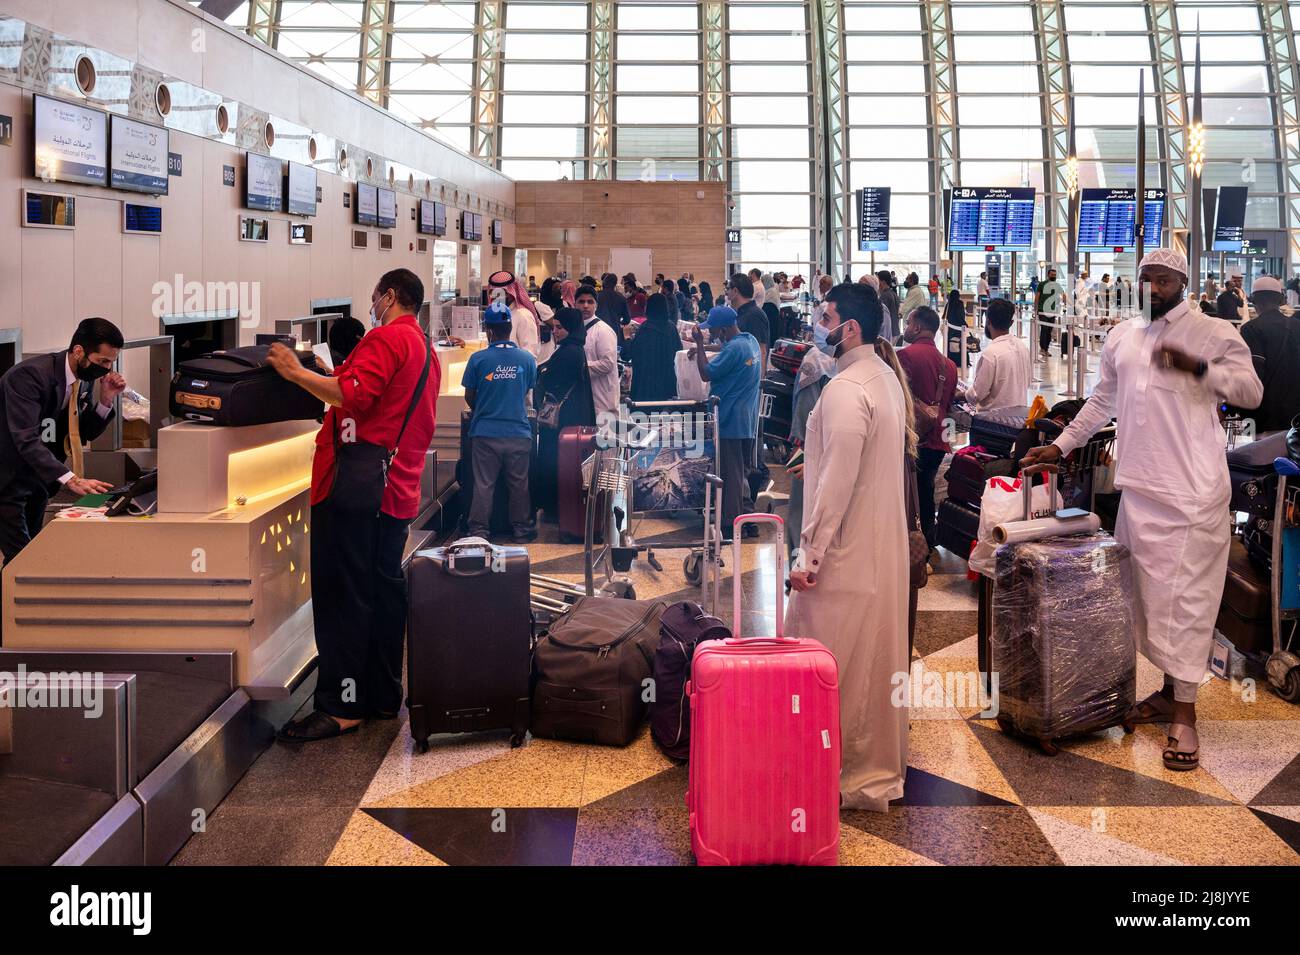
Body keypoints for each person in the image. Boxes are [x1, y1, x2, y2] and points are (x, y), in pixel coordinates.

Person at [1022, 249, 1263, 773]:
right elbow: (1100, 400)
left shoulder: (1213, 332)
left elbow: (1251, 391)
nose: (1152, 287)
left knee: (1189, 606)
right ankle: (1164, 694)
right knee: (1148, 606)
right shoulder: (1123, 335)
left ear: (1183, 280)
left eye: (1163, 279)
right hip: (1138, 491)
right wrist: (1060, 447)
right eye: (1146, 278)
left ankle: (1185, 717)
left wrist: (1199, 368)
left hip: (1193, 496)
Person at [268, 268, 437, 742]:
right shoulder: (422, 347)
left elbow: (353, 396)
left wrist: (296, 373)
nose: (372, 305)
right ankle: (383, 695)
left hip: (356, 489)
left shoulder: (385, 340)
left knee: (343, 595)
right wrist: (329, 375)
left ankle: (343, 705)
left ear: (389, 296)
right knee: (382, 593)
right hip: (396, 489)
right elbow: (377, 396)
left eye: (374, 297)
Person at [785, 281, 908, 812]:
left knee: (828, 663)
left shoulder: (844, 389)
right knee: (873, 662)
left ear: (849, 327)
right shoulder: (884, 377)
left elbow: (836, 483)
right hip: (882, 547)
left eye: (826, 315)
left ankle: (831, 768)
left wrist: (809, 554)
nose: (820, 322)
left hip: (845, 554)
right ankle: (870, 765)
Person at [0, 318, 126, 604]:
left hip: (38, 482)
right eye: (102, 360)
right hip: (7, 482)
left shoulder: (80, 381)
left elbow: (80, 433)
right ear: (79, 351)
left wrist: (105, 400)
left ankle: (15, 625)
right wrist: (72, 479)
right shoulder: (29, 377)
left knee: (25, 558)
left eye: (111, 363)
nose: (106, 369)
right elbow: (26, 439)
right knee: (21, 560)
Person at [462, 301, 538, 543]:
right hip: (518, 431)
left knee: (484, 485)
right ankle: (522, 530)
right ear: (509, 327)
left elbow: (469, 395)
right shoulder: (526, 359)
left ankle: (479, 531)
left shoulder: (477, 360)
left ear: (489, 330)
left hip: (485, 433)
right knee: (519, 485)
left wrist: (484, 409)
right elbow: (526, 389)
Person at [690, 305, 761, 533]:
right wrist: (706, 346)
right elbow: (728, 349)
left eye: (713, 329)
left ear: (722, 328)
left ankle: (731, 525)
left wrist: (700, 344)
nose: (711, 332)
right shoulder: (749, 341)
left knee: (730, 474)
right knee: (741, 472)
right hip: (747, 418)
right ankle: (748, 518)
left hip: (729, 417)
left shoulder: (734, 349)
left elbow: (705, 373)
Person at [898, 305, 958, 552]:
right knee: (926, 487)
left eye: (908, 323)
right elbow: (950, 403)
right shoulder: (949, 365)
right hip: (940, 437)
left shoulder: (905, 356)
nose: (906, 328)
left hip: (914, 436)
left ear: (917, 327)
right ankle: (929, 541)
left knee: (910, 492)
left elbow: (898, 395)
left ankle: (915, 543)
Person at [533, 307, 596, 519]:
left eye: (560, 328)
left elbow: (549, 380)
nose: (555, 331)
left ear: (570, 328)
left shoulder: (568, 352)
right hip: (573, 414)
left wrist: (543, 374)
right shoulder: (575, 348)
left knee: (555, 460)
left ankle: (553, 507)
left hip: (563, 419)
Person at [1239, 275, 1299, 431]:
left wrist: (1228, 408)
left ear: (1254, 300)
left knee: (1255, 453)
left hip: (1264, 416)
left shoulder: (1251, 329)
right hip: (1295, 417)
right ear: (1281, 300)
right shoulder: (1297, 326)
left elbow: (1253, 374)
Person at [963, 297, 1031, 413]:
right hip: (1020, 418)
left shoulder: (991, 353)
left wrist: (961, 394)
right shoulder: (1023, 347)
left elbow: (977, 394)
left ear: (988, 321)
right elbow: (1027, 383)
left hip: (993, 422)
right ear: (1011, 323)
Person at [576, 284, 619, 437]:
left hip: (602, 398)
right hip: (584, 400)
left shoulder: (603, 331)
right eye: (581, 302)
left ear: (596, 305)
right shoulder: (574, 328)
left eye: (590, 302)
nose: (585, 306)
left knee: (605, 447)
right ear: (575, 304)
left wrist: (579, 369)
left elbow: (607, 363)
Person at [624, 292, 682, 402]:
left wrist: (626, 337)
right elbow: (678, 350)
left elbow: (628, 354)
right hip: (667, 384)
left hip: (646, 385)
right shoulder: (671, 328)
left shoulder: (645, 329)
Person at [487, 270, 543, 360]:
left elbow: (530, 355)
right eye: (492, 293)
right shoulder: (498, 315)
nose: (495, 297)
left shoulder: (523, 315)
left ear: (511, 293)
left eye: (500, 293)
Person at [727, 272, 770, 372]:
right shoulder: (741, 313)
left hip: (748, 379)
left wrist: (755, 383)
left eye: (728, 289)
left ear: (735, 290)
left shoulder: (753, 315)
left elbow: (761, 352)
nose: (726, 292)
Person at [1035, 267, 1063, 359]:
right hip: (1042, 311)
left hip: (1052, 311)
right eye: (1052, 275)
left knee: (1049, 331)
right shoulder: (1042, 284)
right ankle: (1042, 349)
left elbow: (1063, 294)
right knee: (1044, 329)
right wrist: (1035, 309)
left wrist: (1067, 303)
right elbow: (1037, 296)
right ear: (1048, 275)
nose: (1053, 276)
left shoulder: (1056, 285)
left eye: (1055, 275)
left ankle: (1046, 349)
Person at [596, 273, 630, 347]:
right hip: (615, 331)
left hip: (598, 331)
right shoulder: (621, 298)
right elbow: (627, 319)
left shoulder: (597, 296)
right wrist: (620, 321)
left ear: (604, 283)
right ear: (615, 284)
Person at [943, 287, 967, 363]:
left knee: (949, 343)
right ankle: (959, 361)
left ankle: (950, 360)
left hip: (949, 328)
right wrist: (965, 324)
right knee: (959, 344)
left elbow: (944, 316)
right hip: (958, 328)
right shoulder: (960, 303)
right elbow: (960, 315)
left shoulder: (948, 304)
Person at [877, 271, 900, 338]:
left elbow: (882, 317)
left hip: (890, 333)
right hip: (895, 331)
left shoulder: (885, 296)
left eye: (877, 280)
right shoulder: (893, 294)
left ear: (883, 282)